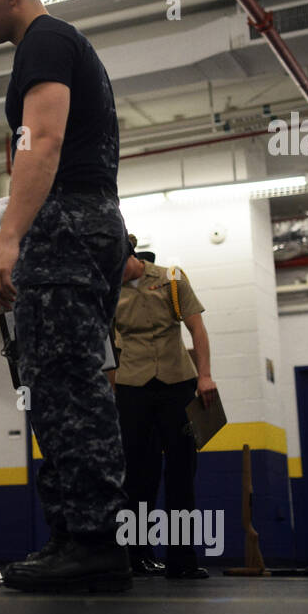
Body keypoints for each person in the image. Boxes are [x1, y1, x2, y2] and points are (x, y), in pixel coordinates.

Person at [0, 0, 131, 593]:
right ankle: (73, 535)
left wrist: (8, 241)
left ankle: (92, 540)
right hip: (83, 223)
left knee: (65, 380)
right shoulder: (53, 45)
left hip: (66, 224)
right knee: (57, 380)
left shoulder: (45, 41)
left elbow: (44, 140)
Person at [113, 238, 216, 579]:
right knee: (137, 477)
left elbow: (196, 329)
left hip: (178, 385)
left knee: (182, 473)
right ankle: (137, 557)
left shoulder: (172, 279)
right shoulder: (106, 289)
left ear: (130, 254)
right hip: (132, 388)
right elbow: (105, 346)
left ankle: (182, 559)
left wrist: (205, 377)